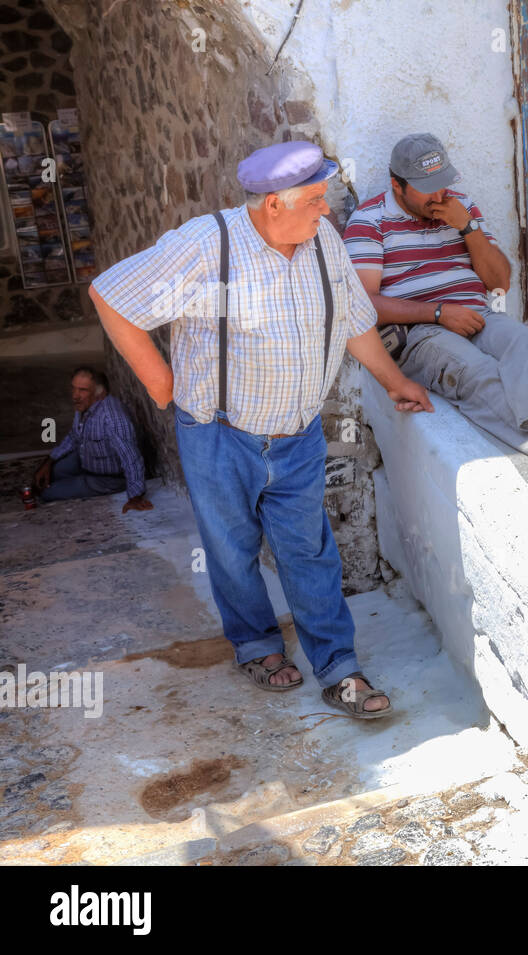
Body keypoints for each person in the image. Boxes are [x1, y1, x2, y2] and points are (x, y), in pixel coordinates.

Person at [88, 141, 432, 719]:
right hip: (220, 436)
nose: (326, 211)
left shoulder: (323, 243)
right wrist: (160, 385)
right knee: (231, 550)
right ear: (274, 204)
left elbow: (353, 320)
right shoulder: (207, 245)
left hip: (298, 434)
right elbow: (112, 295)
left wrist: (395, 381)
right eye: (316, 199)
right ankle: (255, 646)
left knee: (310, 551)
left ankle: (338, 666)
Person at [344, 133, 528, 469]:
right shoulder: (369, 221)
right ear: (397, 185)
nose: (438, 195)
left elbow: (500, 282)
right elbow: (364, 305)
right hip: (418, 332)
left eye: (442, 183)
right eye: (427, 187)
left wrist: (467, 227)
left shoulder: (461, 207)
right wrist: (437, 313)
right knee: (472, 368)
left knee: (522, 339)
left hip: (476, 314)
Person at [32, 366, 150, 512]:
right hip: (87, 459)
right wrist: (48, 461)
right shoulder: (84, 406)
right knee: (48, 474)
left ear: (100, 394)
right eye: (74, 388)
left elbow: (131, 458)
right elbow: (74, 436)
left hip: (105, 479)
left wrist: (135, 496)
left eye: (83, 390)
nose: (75, 395)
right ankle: (66, 477)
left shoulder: (112, 418)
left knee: (46, 494)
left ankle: (75, 483)